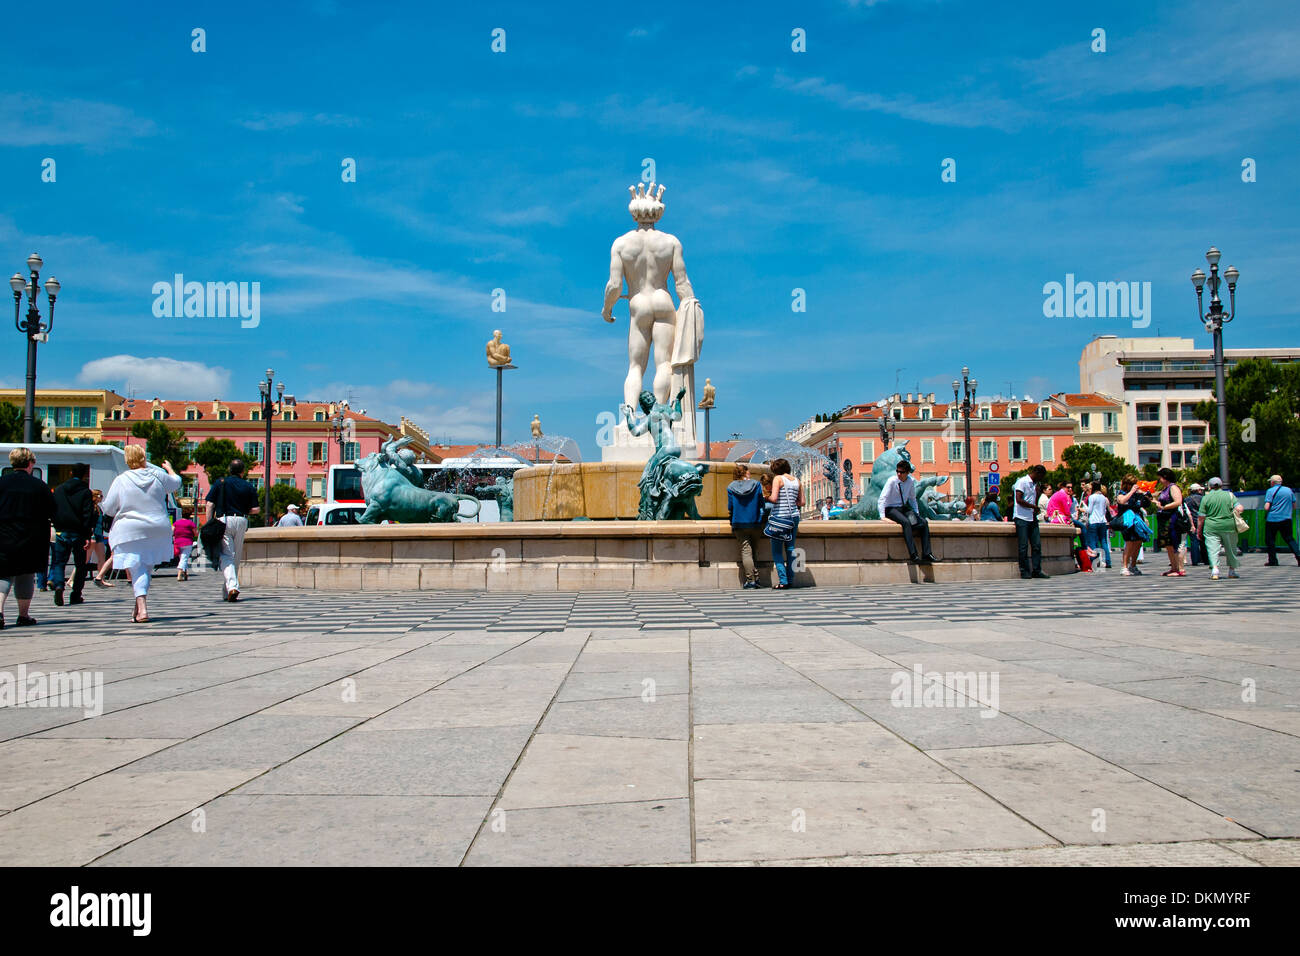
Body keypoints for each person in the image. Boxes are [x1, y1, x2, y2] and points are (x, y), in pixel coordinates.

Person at [102, 447, 182, 623]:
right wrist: (169, 469)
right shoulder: (157, 476)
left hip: (131, 529)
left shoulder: (121, 480)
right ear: (144, 457)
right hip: (157, 527)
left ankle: (143, 609)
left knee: (138, 568)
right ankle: (137, 609)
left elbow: (108, 508)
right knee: (144, 568)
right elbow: (176, 482)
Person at [0, 448, 55, 628]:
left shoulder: (2, 483)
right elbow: (52, 511)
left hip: (3, 536)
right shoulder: (39, 486)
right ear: (30, 463)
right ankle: (23, 616)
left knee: (3, 575)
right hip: (31, 538)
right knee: (26, 575)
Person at [205, 458, 260, 602]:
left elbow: (210, 504)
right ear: (243, 471)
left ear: (230, 470)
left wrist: (209, 523)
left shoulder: (221, 483)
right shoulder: (248, 486)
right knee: (236, 557)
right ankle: (227, 590)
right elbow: (256, 509)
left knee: (226, 554)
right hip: (242, 520)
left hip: (224, 520)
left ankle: (233, 586)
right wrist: (242, 509)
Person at [49, 462, 95, 607]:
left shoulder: (59, 490)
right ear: (85, 475)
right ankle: (76, 593)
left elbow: (53, 509)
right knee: (80, 565)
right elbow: (88, 514)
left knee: (59, 562)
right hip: (79, 532)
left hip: (62, 530)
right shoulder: (86, 492)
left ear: (70, 473)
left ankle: (58, 586)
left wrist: (57, 525)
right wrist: (88, 534)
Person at [878, 458, 938, 564]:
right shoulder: (892, 481)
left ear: (907, 473)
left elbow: (912, 499)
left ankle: (927, 554)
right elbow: (882, 498)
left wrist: (916, 513)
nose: (899, 474)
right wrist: (882, 516)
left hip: (902, 508)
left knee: (923, 522)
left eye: (902, 472)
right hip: (891, 508)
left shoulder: (910, 481)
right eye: (897, 471)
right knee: (906, 522)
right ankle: (913, 555)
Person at [766, 458, 803, 589]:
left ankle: (783, 581)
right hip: (794, 517)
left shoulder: (778, 479)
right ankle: (791, 579)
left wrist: (765, 497)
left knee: (776, 551)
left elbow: (774, 499)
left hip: (780, 517)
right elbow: (801, 502)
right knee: (790, 549)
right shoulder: (797, 481)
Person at [727, 463, 765, 589]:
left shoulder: (731, 487)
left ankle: (751, 580)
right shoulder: (756, 484)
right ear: (745, 473)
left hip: (739, 523)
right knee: (753, 551)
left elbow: (730, 507)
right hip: (755, 522)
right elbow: (761, 502)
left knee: (746, 552)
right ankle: (756, 578)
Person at [1197, 476, 1241, 580]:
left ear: (1210, 486)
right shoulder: (1229, 495)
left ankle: (1215, 570)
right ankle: (1232, 571)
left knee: (1212, 549)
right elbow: (1239, 507)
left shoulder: (1205, 498)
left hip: (1211, 526)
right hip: (1228, 525)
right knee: (1231, 549)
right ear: (1221, 485)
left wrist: (1199, 530)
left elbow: (1201, 516)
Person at [1013, 465, 1049, 579]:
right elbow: (1018, 500)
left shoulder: (1035, 485)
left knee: (1036, 545)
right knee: (1023, 546)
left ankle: (1037, 570)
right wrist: (1033, 507)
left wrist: (1037, 493)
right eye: (1041, 476)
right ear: (1037, 473)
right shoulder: (1022, 482)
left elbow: (1034, 498)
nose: (1041, 479)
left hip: (1032, 518)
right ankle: (1024, 571)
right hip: (1021, 517)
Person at [1152, 467, 1186, 576]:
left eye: (1160, 478)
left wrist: (1164, 507)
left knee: (1174, 543)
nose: (1159, 480)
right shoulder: (1164, 489)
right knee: (1169, 545)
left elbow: (1178, 501)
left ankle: (1180, 569)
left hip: (1172, 519)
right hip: (1164, 519)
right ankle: (1174, 567)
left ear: (1165, 477)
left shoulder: (1173, 487)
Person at [1115, 475, 1151, 575]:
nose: (1134, 486)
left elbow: (1146, 503)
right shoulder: (1122, 493)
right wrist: (1131, 492)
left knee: (1138, 543)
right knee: (1129, 543)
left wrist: (1145, 495)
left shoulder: (1137, 494)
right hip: (1127, 521)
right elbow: (1121, 501)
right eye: (1132, 484)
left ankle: (1133, 565)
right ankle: (1124, 566)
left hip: (1138, 520)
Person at [1263, 475, 1300, 567]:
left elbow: (1267, 507)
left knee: (1270, 540)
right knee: (1290, 539)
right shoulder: (1288, 490)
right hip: (1286, 519)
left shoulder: (1270, 491)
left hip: (1272, 519)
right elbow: (1294, 506)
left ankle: (1273, 560)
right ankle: (1298, 556)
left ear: (1272, 482)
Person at [87, 489, 115, 587]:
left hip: (99, 535)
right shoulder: (91, 507)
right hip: (93, 535)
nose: (102, 498)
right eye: (100, 496)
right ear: (95, 496)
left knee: (102, 557)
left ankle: (101, 578)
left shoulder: (98, 508)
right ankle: (72, 579)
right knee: (85, 558)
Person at [1084, 481, 1112, 570]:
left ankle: (1094, 560)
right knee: (1104, 542)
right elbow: (1104, 511)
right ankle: (1108, 561)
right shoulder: (1103, 498)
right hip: (1102, 521)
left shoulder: (1092, 497)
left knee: (1092, 542)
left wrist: (1082, 509)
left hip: (1094, 521)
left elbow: (1089, 510)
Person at [172, 507, 197, 581]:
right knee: (184, 558)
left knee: (182, 558)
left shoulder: (176, 523)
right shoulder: (191, 523)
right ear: (189, 515)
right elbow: (195, 533)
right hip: (187, 542)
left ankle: (185, 574)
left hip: (177, 542)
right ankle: (179, 574)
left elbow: (172, 531)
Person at [1184, 482, 1205, 567]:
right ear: (1198, 490)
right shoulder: (1203, 498)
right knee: (1204, 540)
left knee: (1194, 541)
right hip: (1202, 521)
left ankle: (1195, 560)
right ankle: (1206, 559)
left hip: (1191, 522)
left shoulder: (1187, 499)